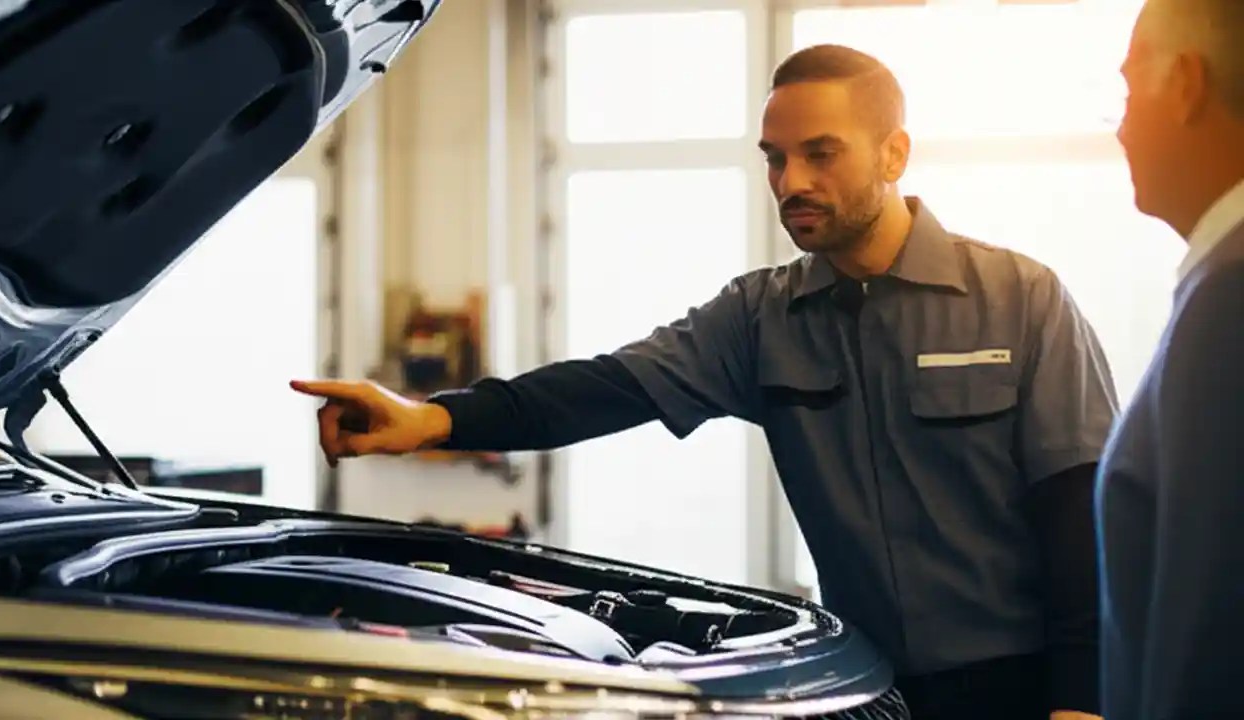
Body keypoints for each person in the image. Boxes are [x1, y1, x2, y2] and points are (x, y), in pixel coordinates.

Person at [293, 45, 1114, 720]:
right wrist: (431, 420)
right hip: (864, 689)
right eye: (775, 159)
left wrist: (1081, 702)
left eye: (820, 154)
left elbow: (1084, 522)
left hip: (1021, 688)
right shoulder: (762, 318)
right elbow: (606, 387)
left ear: (893, 153)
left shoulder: (1020, 299)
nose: (791, 182)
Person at [1099, 1, 1244, 718]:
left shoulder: (1231, 299)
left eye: (1129, 90)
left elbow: (1207, 642)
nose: (1120, 127)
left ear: (1185, 84)